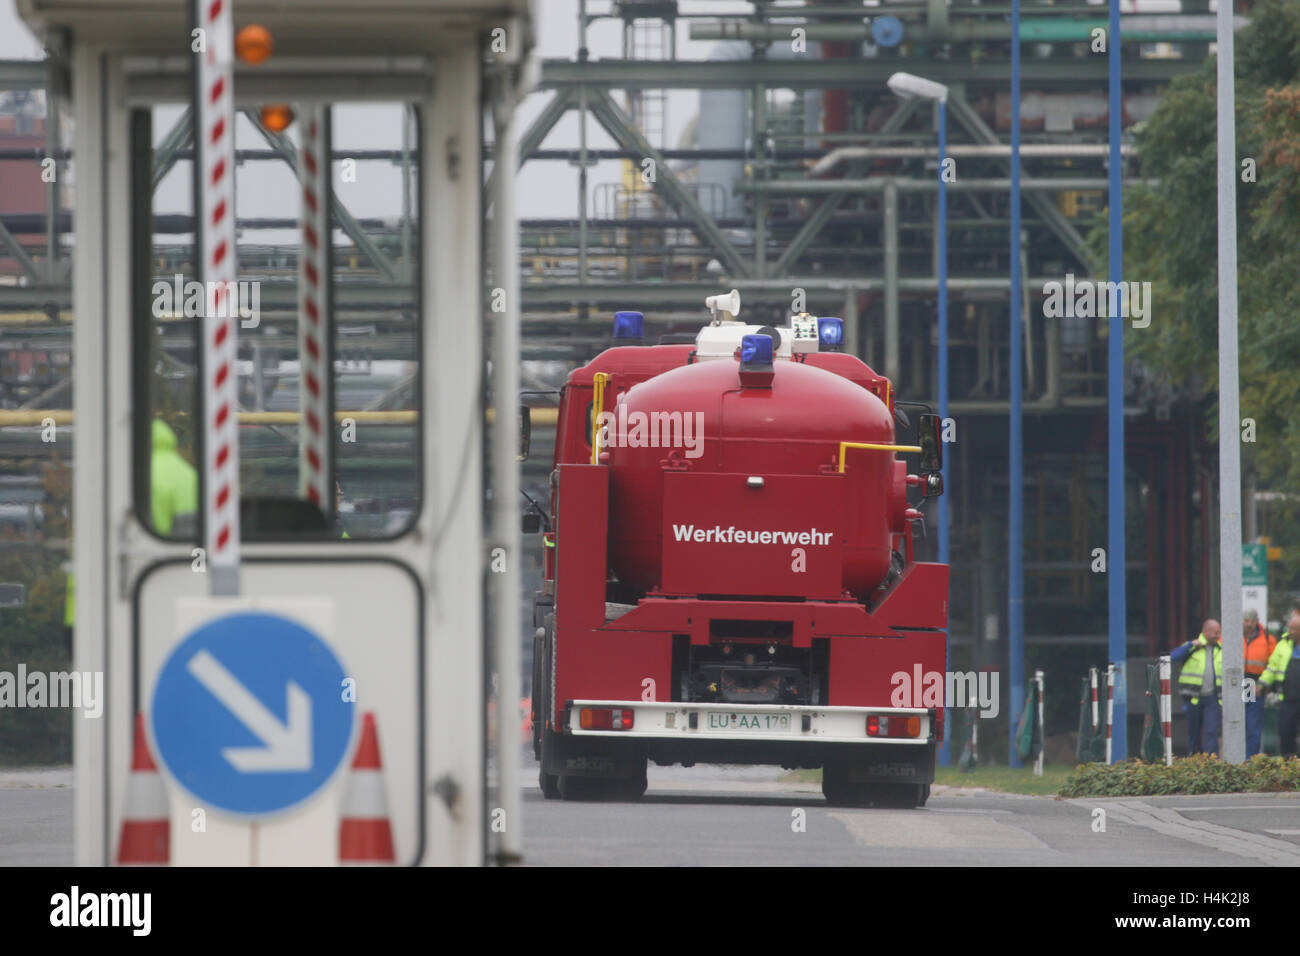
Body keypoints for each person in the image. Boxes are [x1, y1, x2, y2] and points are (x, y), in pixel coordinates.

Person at [1171, 619, 1223, 755]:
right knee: (1193, 732)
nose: (1218, 635)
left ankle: (1212, 762)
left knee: (1211, 731)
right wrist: (1190, 645)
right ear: (1205, 632)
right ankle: (1194, 760)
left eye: (1219, 632)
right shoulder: (1192, 647)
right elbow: (1173, 657)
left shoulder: (1221, 649)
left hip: (1213, 697)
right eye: (1215, 633)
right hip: (1193, 697)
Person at [1261, 609, 1300, 757]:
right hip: (1287, 698)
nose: (1290, 631)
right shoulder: (1283, 645)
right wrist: (1261, 684)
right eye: (1289, 628)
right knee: (1285, 730)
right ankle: (1288, 762)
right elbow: (1272, 668)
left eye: (1293, 629)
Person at [1243, 608, 1277, 757]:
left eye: (1252, 621)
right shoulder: (1230, 635)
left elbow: (1274, 664)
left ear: (1257, 621)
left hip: (1253, 683)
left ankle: (1250, 759)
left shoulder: (1268, 639)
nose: (1249, 624)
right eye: (1246, 620)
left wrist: (1265, 685)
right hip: (1235, 682)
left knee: (1252, 725)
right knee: (1233, 722)